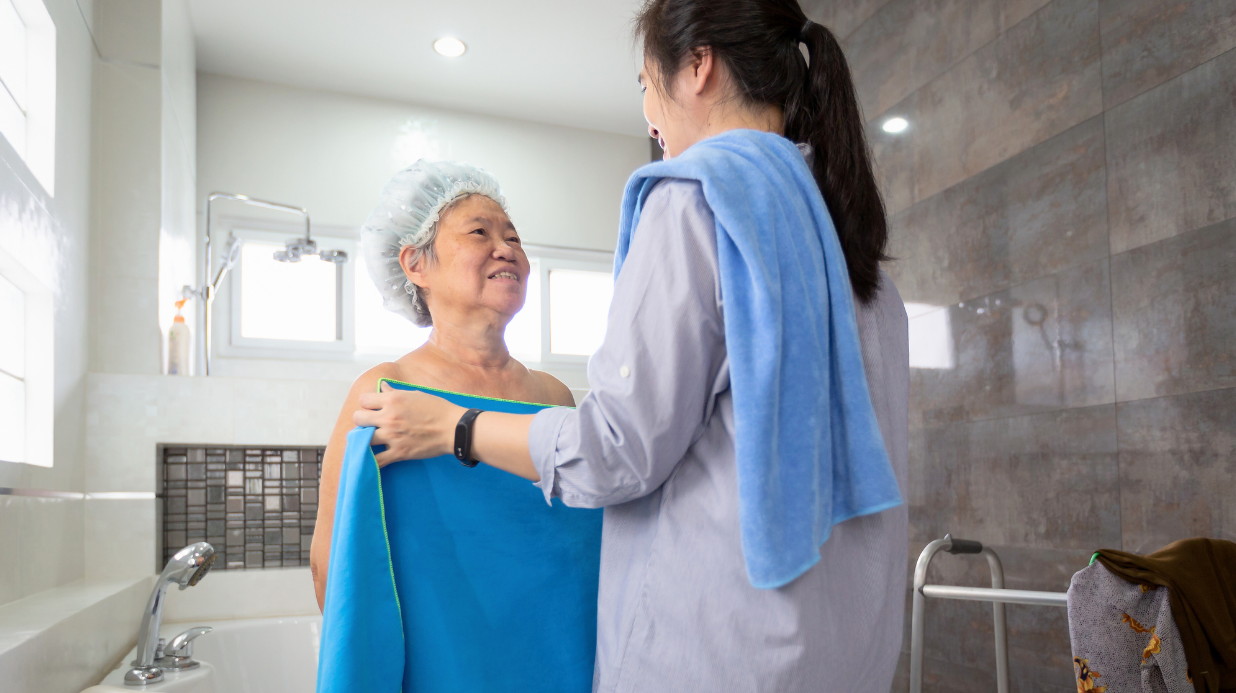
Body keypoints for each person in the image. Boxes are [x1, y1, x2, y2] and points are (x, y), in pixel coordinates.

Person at [352, 1, 911, 690]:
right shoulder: (852, 252)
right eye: (478, 233)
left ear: (698, 65)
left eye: (645, 84)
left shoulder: (696, 202)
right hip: (846, 658)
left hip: (716, 658)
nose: (648, 117)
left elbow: (614, 449)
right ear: (414, 264)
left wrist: (456, 428)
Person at [308, 160, 576, 609]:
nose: (506, 249)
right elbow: (332, 564)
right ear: (416, 264)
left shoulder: (553, 395)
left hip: (558, 636)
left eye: (513, 238)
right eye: (479, 233)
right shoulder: (385, 390)